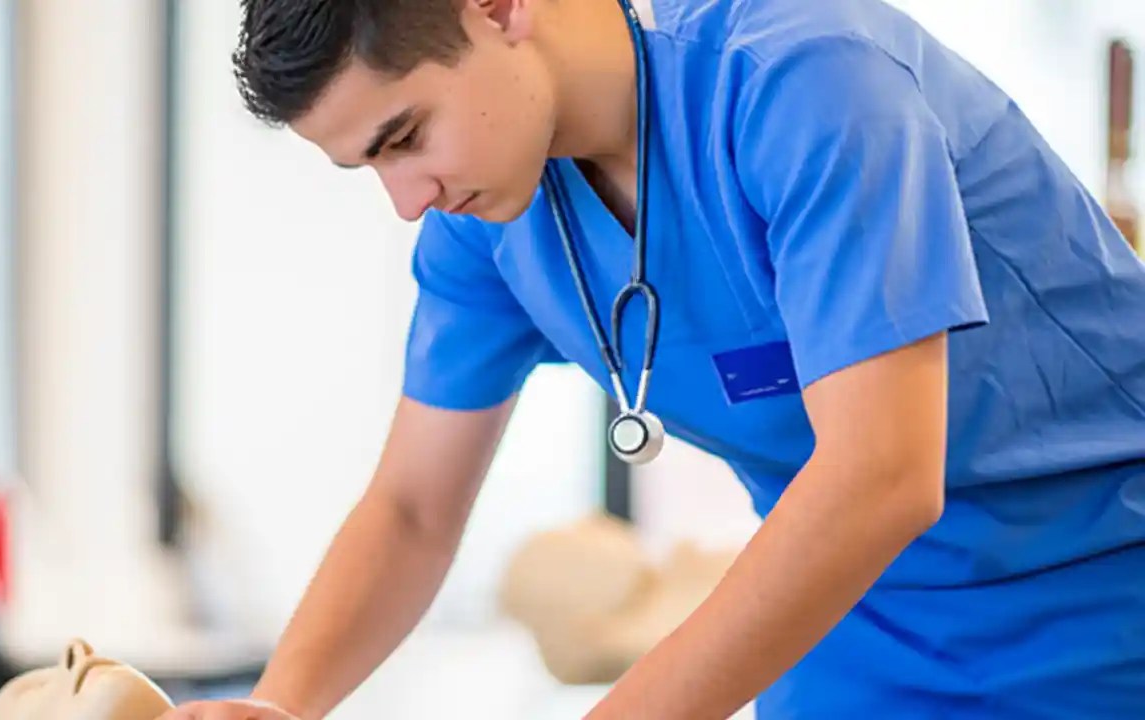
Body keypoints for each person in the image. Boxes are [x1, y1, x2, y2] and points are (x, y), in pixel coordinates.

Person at [161, 0, 1145, 717]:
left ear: (499, 9)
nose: (406, 198)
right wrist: (281, 705)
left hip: (1094, 615)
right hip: (848, 641)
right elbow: (414, 508)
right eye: (369, 166)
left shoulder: (805, 81)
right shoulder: (492, 218)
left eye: (404, 137)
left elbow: (881, 478)